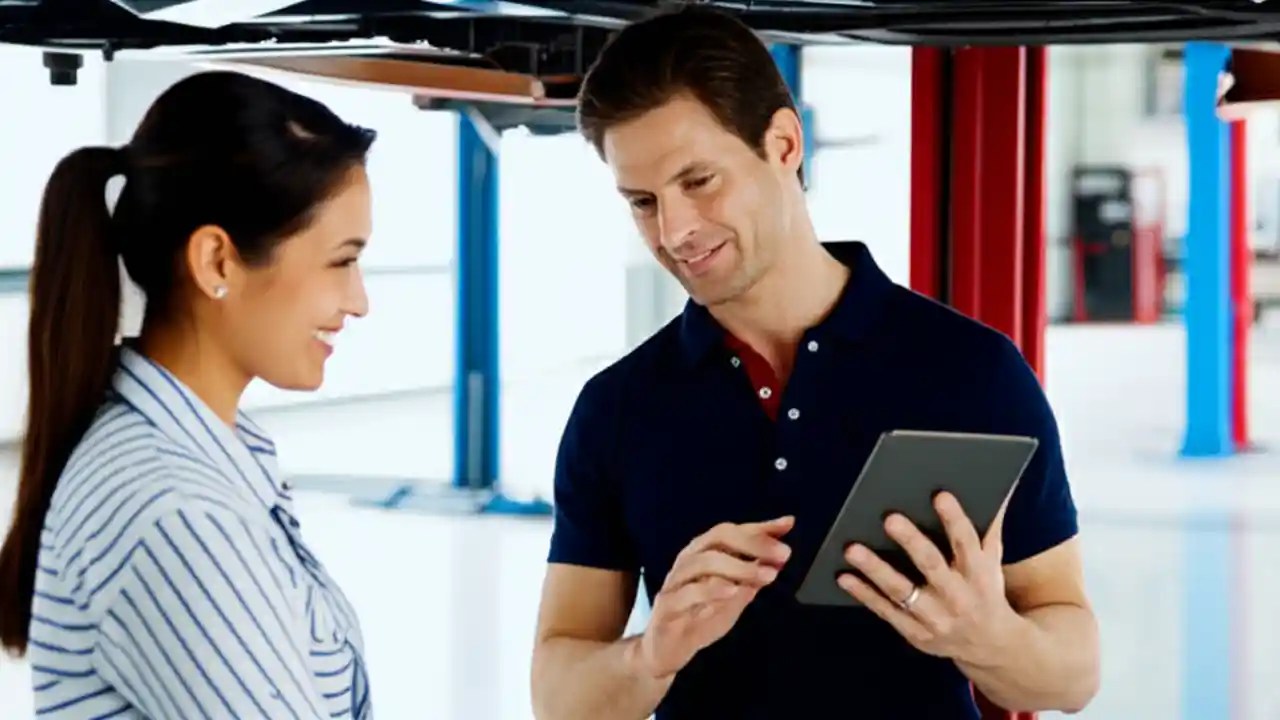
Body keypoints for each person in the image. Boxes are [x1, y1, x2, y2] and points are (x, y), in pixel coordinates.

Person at [530, 6, 1100, 719]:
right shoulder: (617, 408)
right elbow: (558, 697)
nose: (674, 231)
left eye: (699, 181)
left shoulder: (971, 372)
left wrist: (990, 639)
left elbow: (1073, 674)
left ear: (784, 143)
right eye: (643, 202)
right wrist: (650, 654)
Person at [0, 70, 377, 719]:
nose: (358, 300)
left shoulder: (196, 457)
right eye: (340, 261)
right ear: (217, 262)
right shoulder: (177, 516)